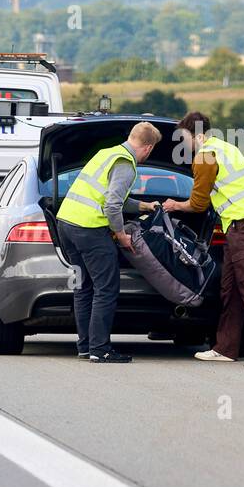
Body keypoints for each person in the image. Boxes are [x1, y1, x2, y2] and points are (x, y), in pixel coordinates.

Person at [162, 111, 244, 364]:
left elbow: (198, 204)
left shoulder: (204, 157)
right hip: (242, 221)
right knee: (231, 287)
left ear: (197, 135)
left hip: (243, 221)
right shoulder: (225, 148)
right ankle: (226, 348)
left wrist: (174, 206)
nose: (183, 144)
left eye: (184, 138)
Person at [56, 121, 162, 363]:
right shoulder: (125, 164)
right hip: (89, 228)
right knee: (106, 289)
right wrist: (121, 234)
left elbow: (110, 196)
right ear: (148, 147)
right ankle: (100, 349)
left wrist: (145, 205)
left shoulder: (107, 154)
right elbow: (112, 205)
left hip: (67, 224)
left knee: (83, 288)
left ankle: (85, 346)